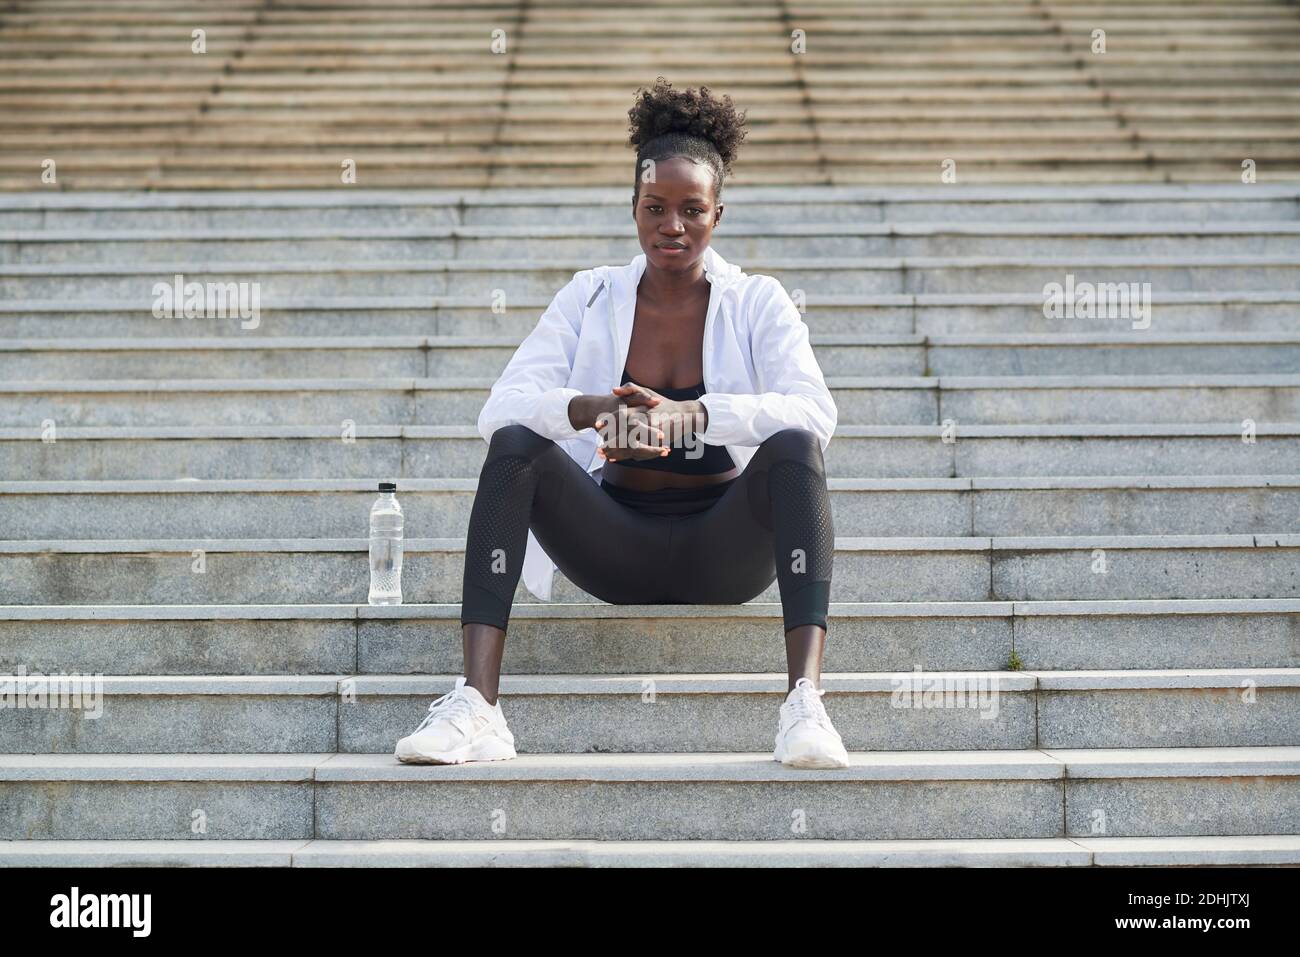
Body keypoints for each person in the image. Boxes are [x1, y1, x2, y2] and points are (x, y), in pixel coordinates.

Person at [395, 77, 848, 769]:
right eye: (656, 207)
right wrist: (589, 409)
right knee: (517, 445)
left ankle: (805, 705)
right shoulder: (590, 295)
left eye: (692, 208)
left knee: (793, 446)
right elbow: (500, 407)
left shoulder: (758, 301)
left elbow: (817, 411)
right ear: (633, 209)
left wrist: (693, 415)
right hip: (613, 544)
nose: (673, 225)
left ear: (718, 213)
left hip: (724, 549)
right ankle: (479, 707)